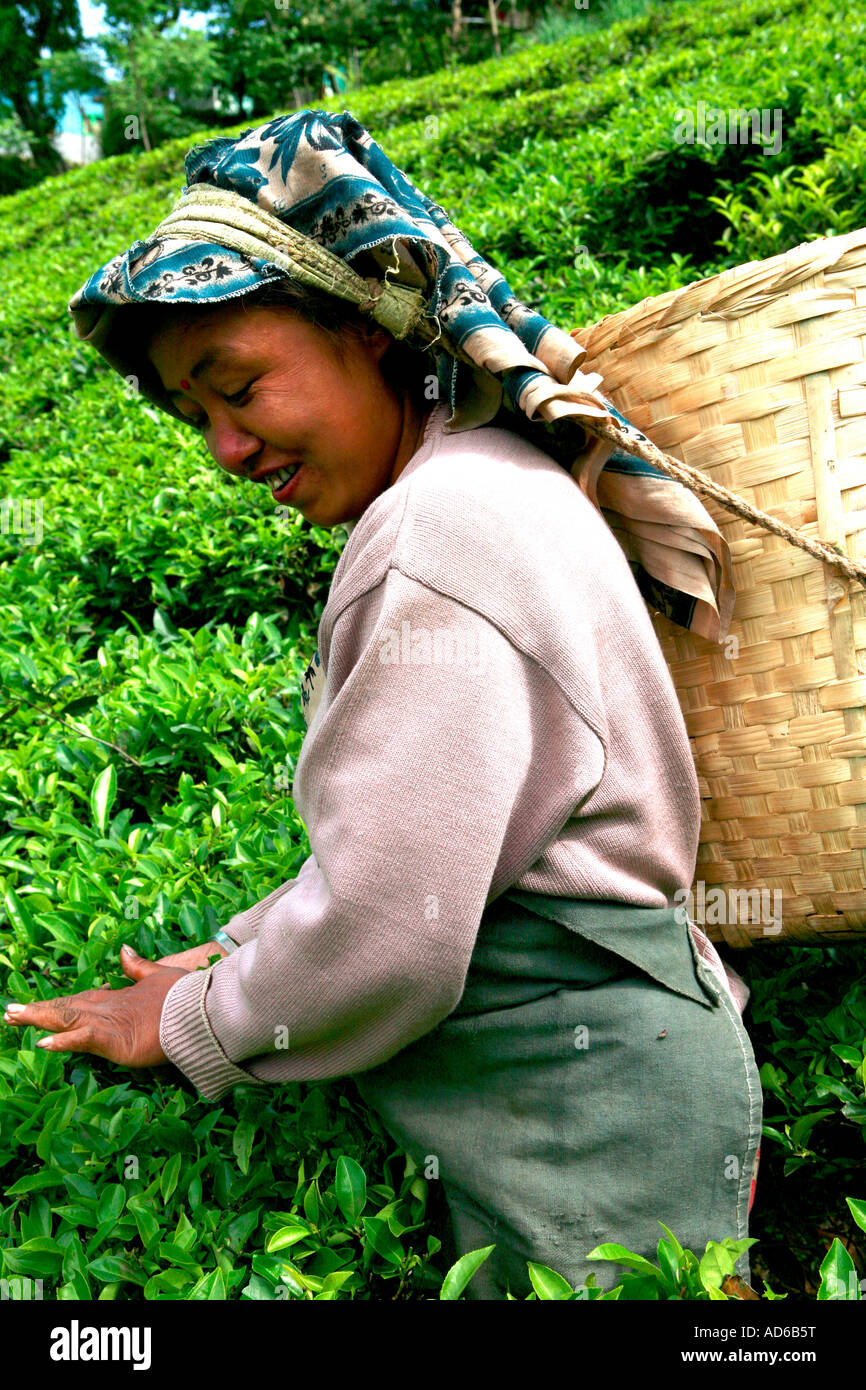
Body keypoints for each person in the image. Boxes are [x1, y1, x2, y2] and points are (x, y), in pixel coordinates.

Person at [5, 109, 761, 1300]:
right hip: (610, 1084)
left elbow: (390, 934)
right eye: (192, 415)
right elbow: (447, 852)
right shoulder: (482, 477)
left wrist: (188, 1022)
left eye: (237, 385)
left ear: (369, 330)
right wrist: (233, 953)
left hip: (587, 1134)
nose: (224, 449)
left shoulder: (437, 530)